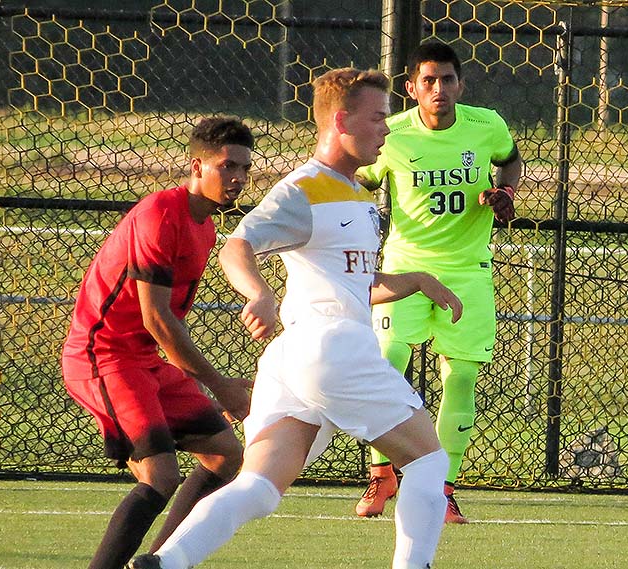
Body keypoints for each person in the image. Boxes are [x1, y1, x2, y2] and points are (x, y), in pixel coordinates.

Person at [127, 67, 462, 569]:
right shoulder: (303, 190)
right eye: (378, 118)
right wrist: (258, 293)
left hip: (296, 358)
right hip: (332, 347)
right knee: (429, 461)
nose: (387, 129)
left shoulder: (359, 196)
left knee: (259, 488)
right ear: (342, 121)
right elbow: (237, 246)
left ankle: (166, 563)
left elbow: (354, 284)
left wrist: (414, 280)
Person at [61, 117, 255, 569]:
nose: (238, 178)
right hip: (101, 357)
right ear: (197, 165)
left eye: (245, 169)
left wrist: (208, 384)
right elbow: (158, 319)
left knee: (226, 455)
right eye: (227, 166)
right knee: (159, 474)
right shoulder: (159, 215)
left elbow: (164, 330)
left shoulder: (204, 227)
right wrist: (220, 385)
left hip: (143, 361)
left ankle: (159, 563)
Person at [355, 40, 523, 524]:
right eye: (428, 81)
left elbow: (510, 160)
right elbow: (358, 181)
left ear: (460, 84)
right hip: (405, 269)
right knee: (388, 362)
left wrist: (506, 191)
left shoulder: (485, 124)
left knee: (463, 375)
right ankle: (382, 473)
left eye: (447, 79)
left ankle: (441, 489)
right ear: (411, 88)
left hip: (467, 269)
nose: (439, 89)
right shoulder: (393, 135)